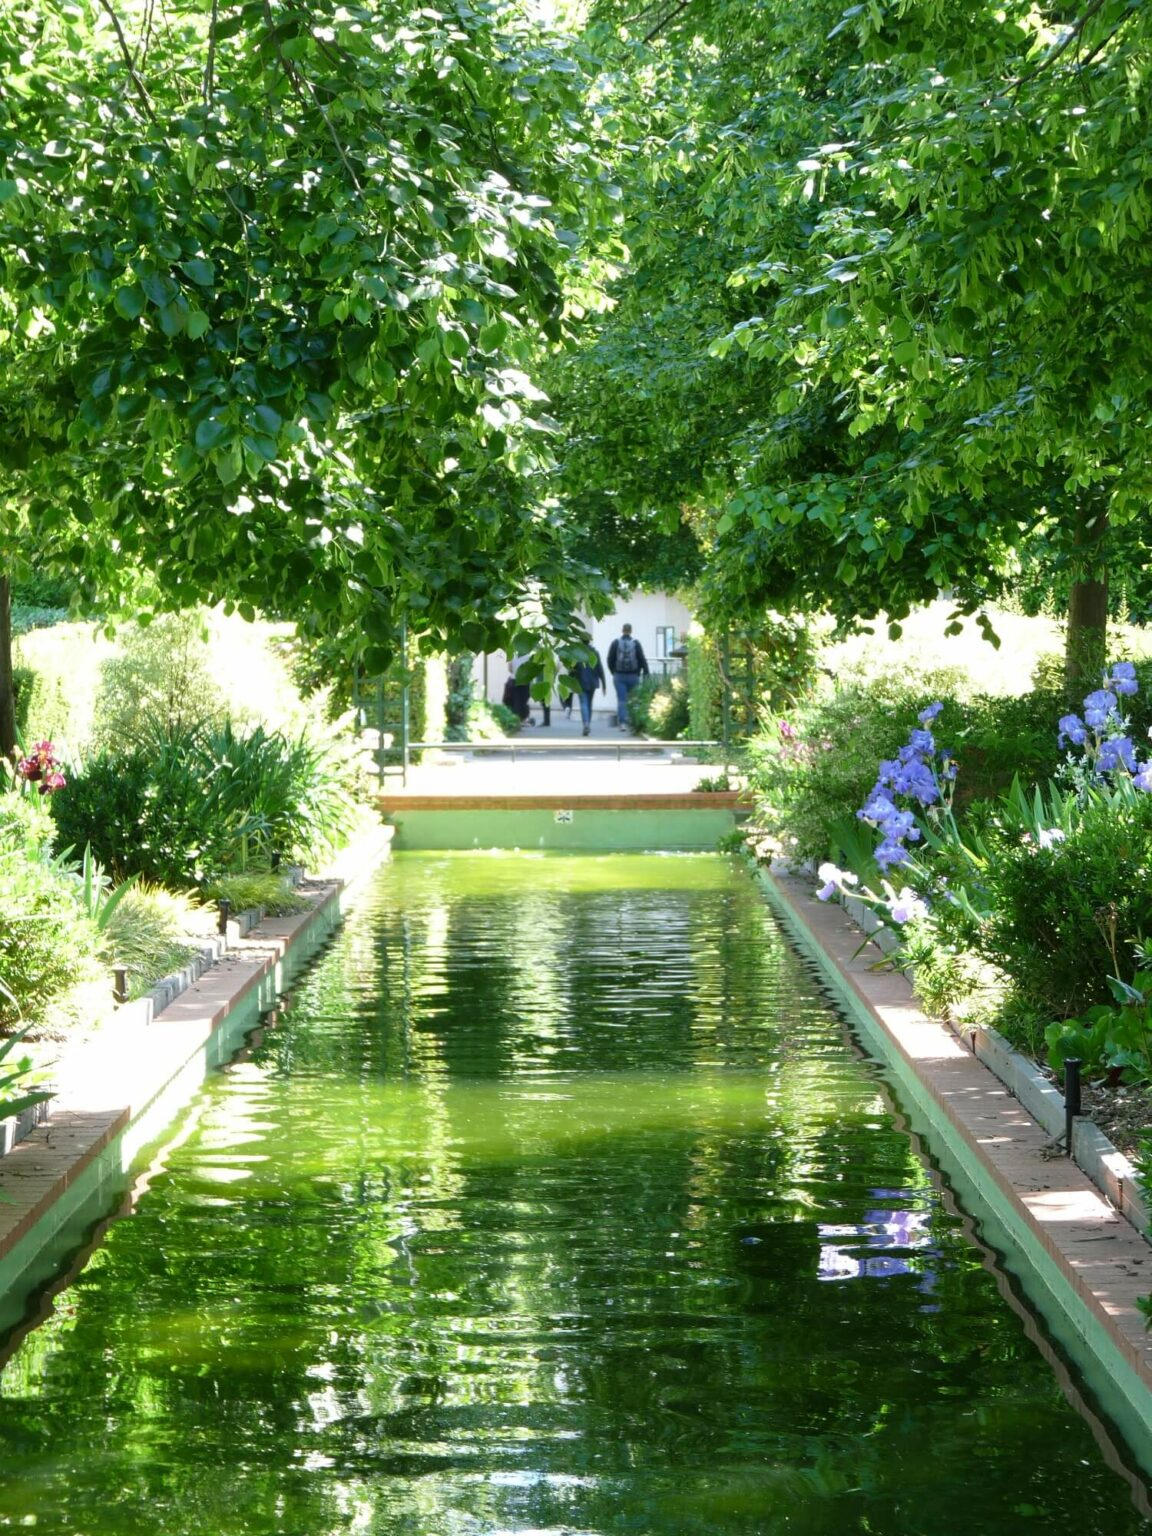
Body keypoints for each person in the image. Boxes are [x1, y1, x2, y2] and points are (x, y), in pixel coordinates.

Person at [606, 623, 649, 731]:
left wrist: (613, 672)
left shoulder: (615, 643)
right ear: (631, 631)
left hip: (619, 676)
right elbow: (642, 659)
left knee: (622, 700)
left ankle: (623, 723)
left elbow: (609, 659)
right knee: (634, 699)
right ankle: (635, 722)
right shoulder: (636, 643)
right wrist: (644, 672)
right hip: (633, 676)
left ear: (622, 630)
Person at [573, 649, 606, 736]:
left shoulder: (577, 652)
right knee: (589, 704)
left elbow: (573, 669)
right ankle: (588, 724)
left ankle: (586, 723)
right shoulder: (594, 652)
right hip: (592, 682)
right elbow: (600, 668)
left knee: (583, 703)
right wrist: (604, 684)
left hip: (580, 682)